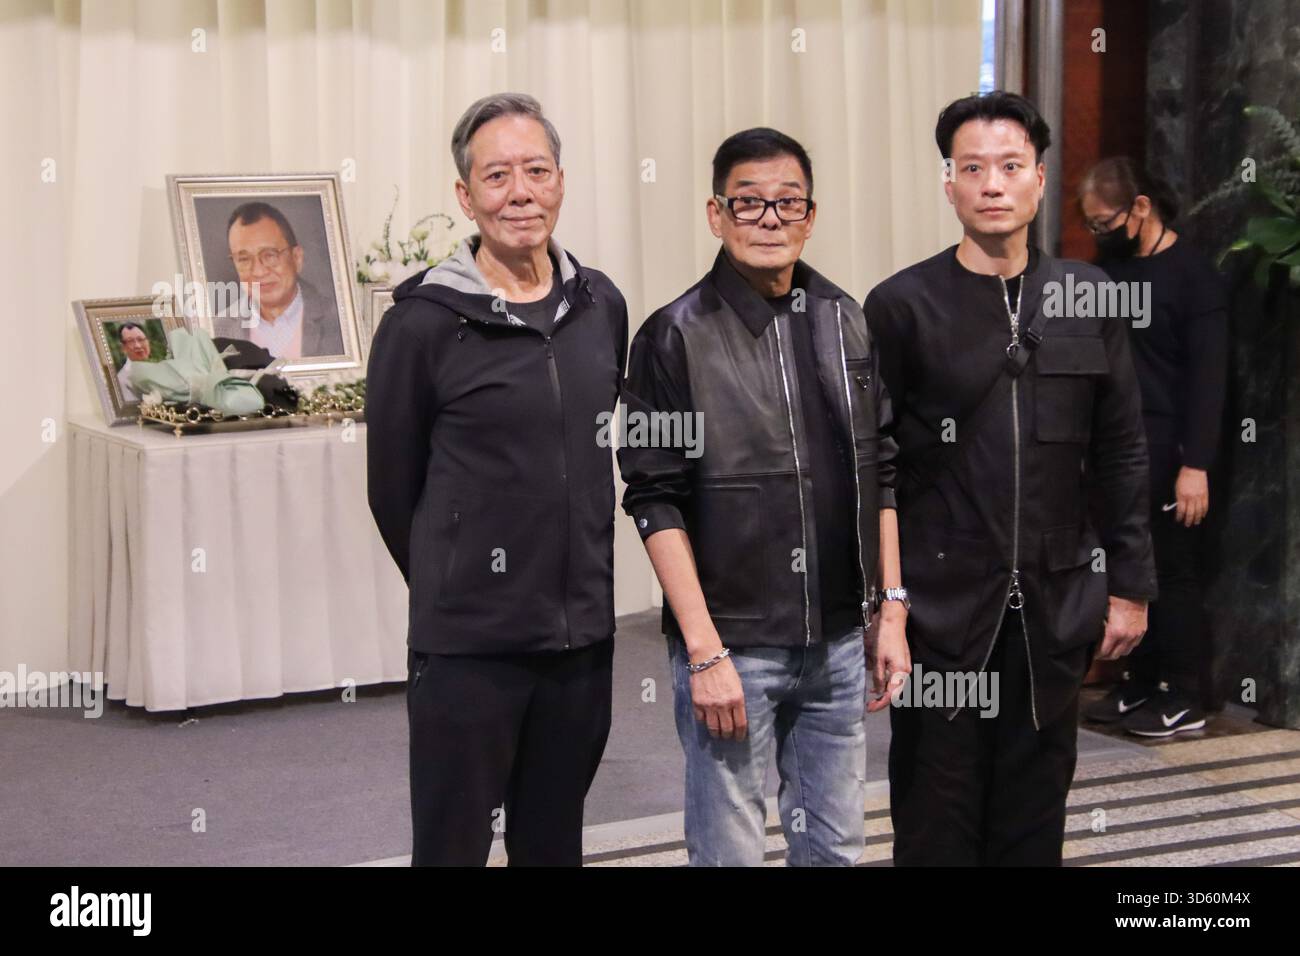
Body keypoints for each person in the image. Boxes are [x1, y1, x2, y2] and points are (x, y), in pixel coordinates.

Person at [864, 91, 1157, 865]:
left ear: (1038, 179)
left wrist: (1127, 583)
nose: (992, 183)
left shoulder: (1089, 298)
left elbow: (1123, 448)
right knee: (937, 813)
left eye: (1010, 166)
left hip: (1054, 611)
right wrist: (887, 602)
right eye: (973, 168)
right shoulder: (901, 305)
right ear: (949, 184)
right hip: (942, 609)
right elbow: (877, 467)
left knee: (1034, 816)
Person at [619, 128, 908, 866]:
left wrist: (890, 608)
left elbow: (882, 470)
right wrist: (704, 649)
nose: (770, 219)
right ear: (715, 215)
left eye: (788, 203)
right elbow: (654, 499)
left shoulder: (844, 319)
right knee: (730, 851)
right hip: (734, 647)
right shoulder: (673, 336)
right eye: (749, 203)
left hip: (840, 641)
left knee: (837, 847)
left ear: (811, 216)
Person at [366, 93, 628, 866]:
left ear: (561, 180)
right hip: (469, 648)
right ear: (466, 196)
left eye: (537, 171)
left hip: (581, 640)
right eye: (498, 176)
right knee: (452, 849)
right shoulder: (421, 322)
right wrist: (457, 581)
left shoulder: (599, 303)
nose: (521, 192)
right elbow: (391, 489)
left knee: (553, 846)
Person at [1078, 157, 1229, 736]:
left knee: (1173, 570)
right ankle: (1138, 681)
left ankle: (1184, 691)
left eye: (1103, 222)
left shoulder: (1195, 278)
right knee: (1127, 564)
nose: (1098, 235)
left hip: (1173, 448)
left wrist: (1197, 464)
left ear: (1141, 208)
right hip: (1118, 445)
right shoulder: (1108, 273)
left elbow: (1209, 380)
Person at [212, 201, 343, 358]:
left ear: (297, 258)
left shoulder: (340, 322)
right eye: (244, 259)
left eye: (270, 255)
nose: (258, 271)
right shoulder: (216, 330)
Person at [115, 322, 153, 401]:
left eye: (140, 339)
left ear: (148, 341)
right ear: (123, 348)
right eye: (131, 341)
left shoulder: (161, 368)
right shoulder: (122, 380)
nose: (138, 346)